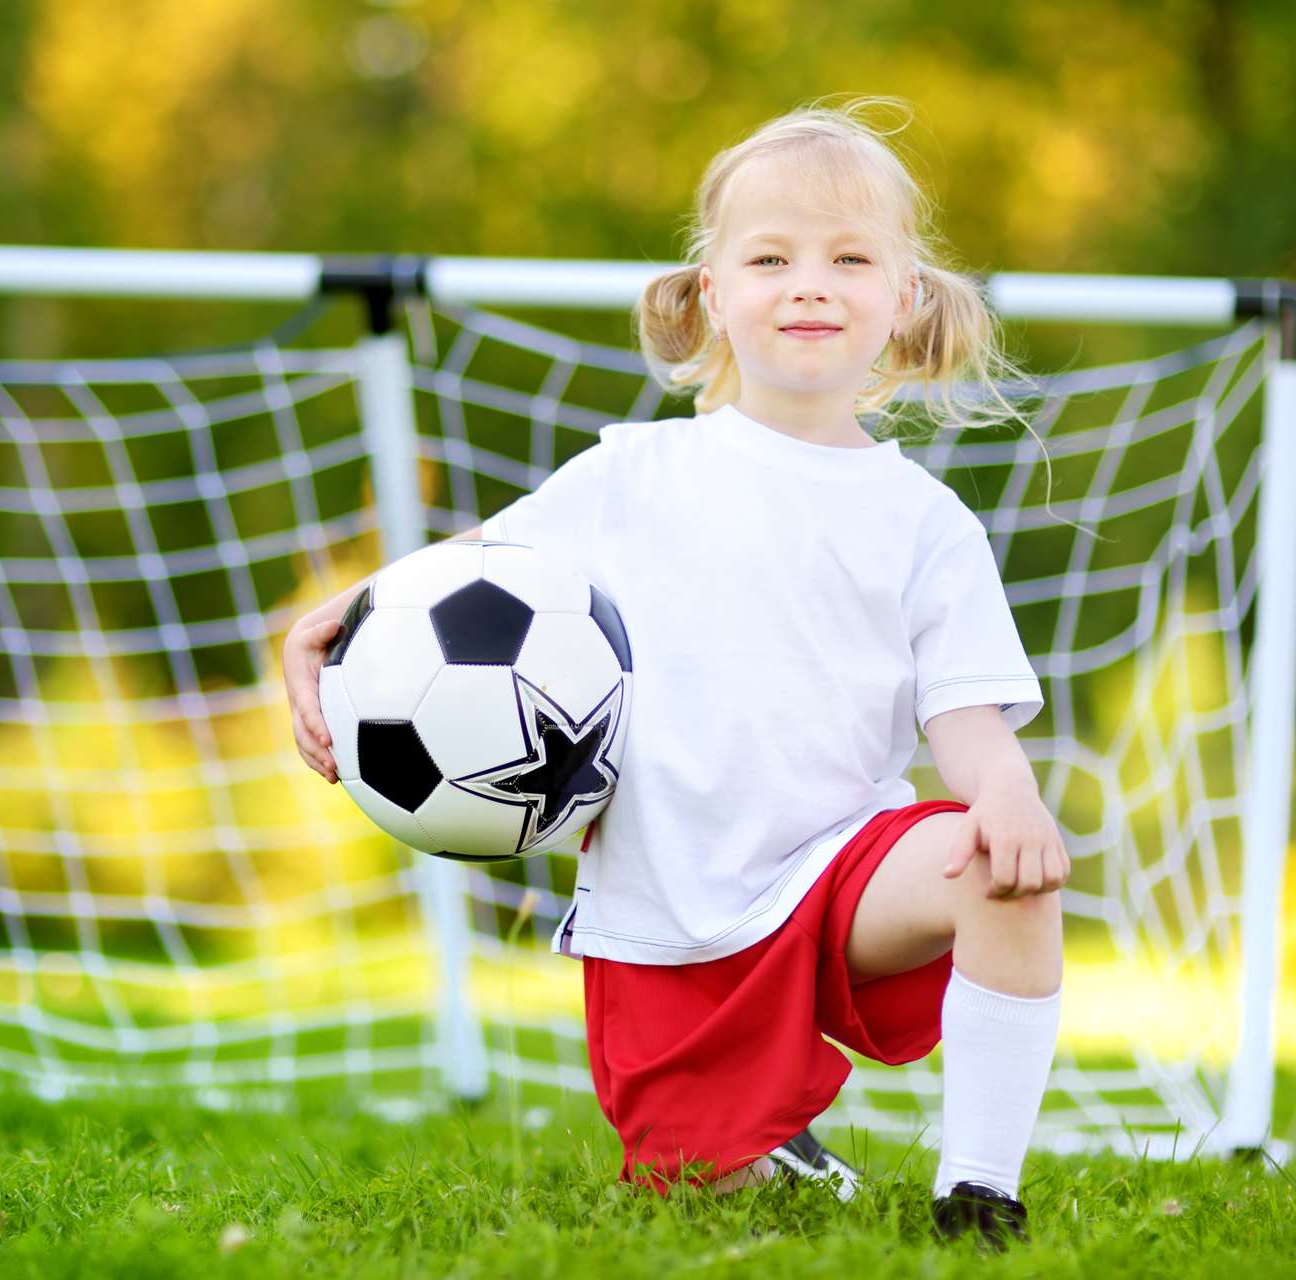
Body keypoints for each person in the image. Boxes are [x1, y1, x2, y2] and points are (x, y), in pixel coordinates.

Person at [281, 95, 1069, 1249]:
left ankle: (981, 1190)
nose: (809, 285)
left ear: (905, 297)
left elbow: (966, 712)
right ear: (712, 292)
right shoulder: (632, 475)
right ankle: (770, 1148)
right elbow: (469, 577)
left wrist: (1006, 791)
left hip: (838, 874)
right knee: (699, 1185)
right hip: (667, 907)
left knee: (1004, 870)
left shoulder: (925, 522)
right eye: (771, 258)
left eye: (849, 259)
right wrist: (333, 620)